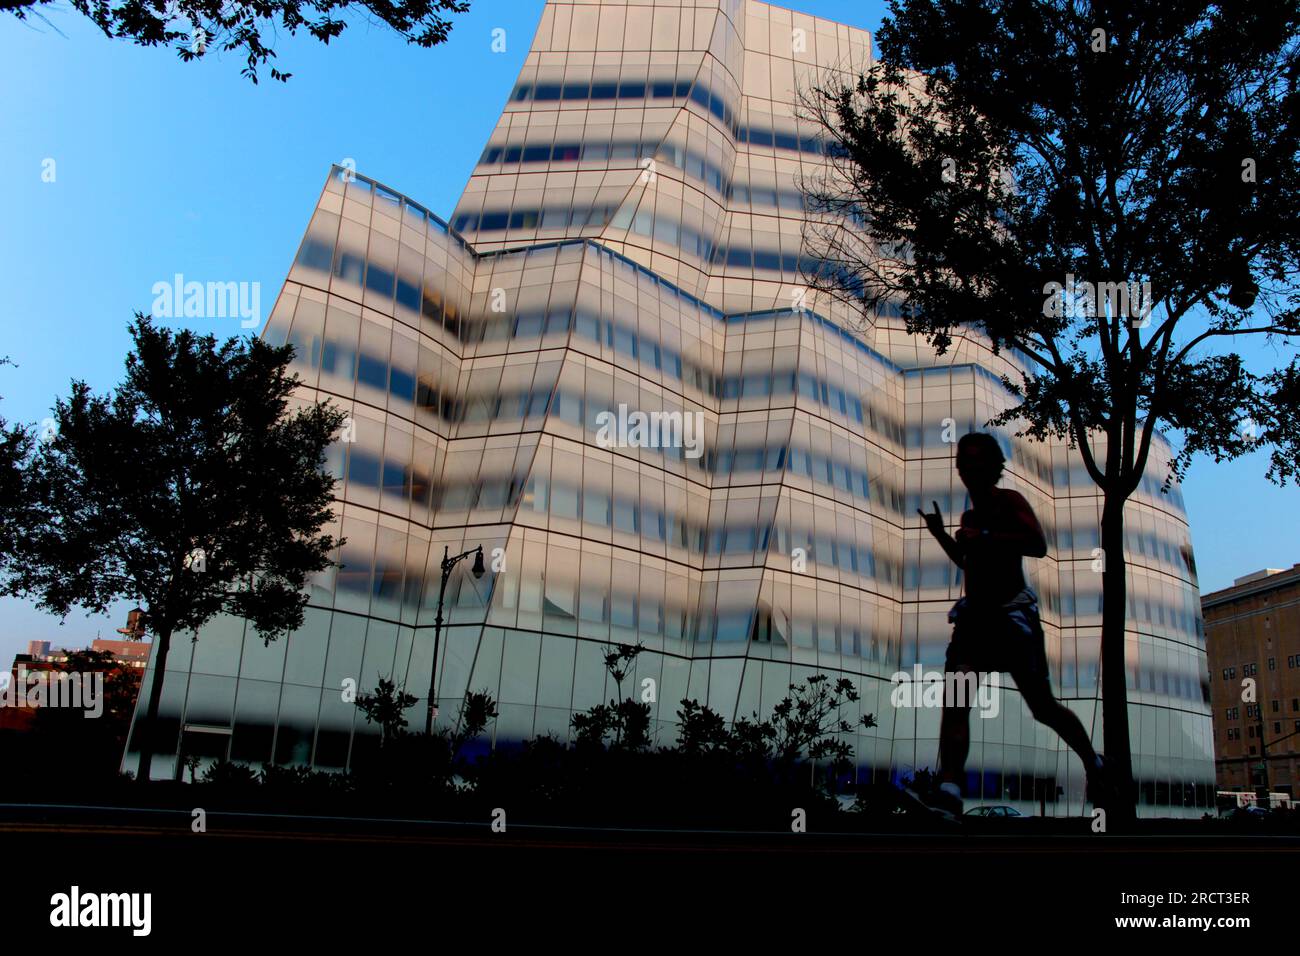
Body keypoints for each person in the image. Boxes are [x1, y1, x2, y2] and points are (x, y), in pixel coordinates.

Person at [918, 432, 1107, 815]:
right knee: (956, 700)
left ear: (993, 467)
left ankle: (1094, 762)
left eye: (974, 461)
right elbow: (970, 564)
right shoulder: (968, 517)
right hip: (975, 619)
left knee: (1042, 708)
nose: (967, 469)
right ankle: (950, 788)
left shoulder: (1009, 502)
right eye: (962, 462)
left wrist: (984, 536)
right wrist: (942, 536)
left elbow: (1037, 544)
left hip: (1012, 617)